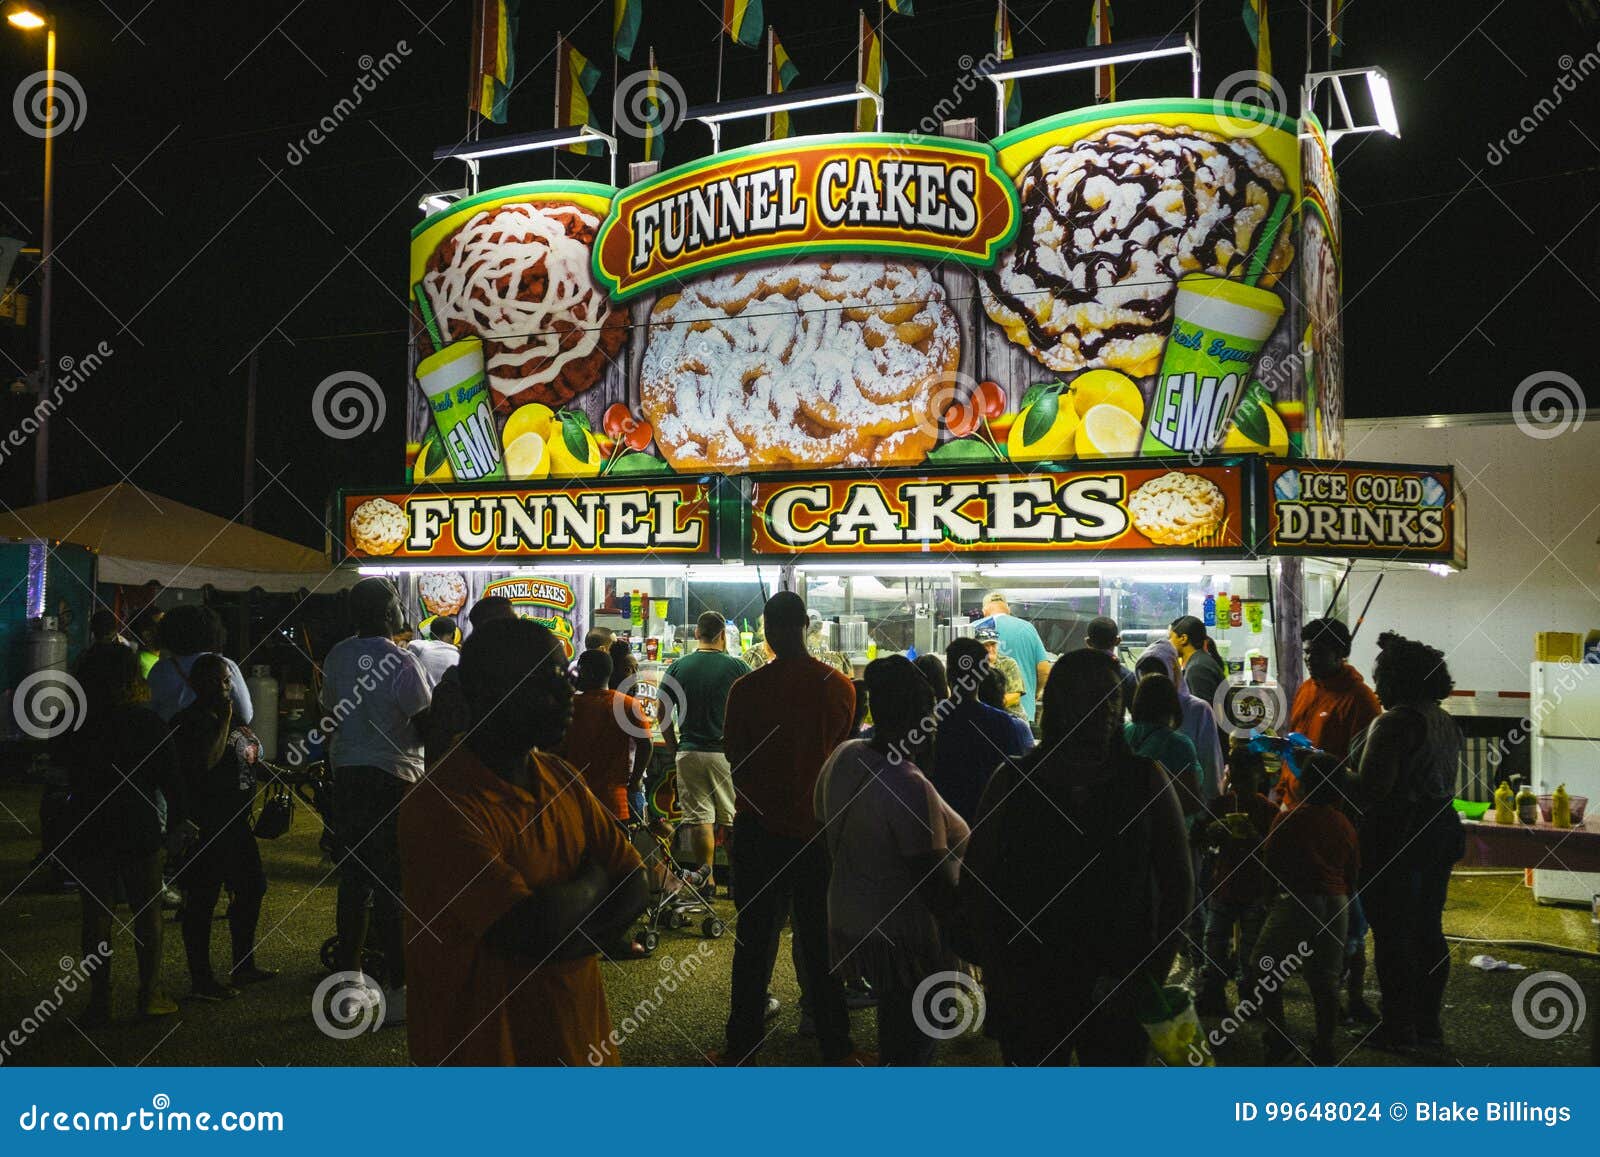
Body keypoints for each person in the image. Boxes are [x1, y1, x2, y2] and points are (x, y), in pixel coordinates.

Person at [398, 618, 648, 1065]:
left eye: (565, 678)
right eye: (546, 682)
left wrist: (562, 928)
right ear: (490, 692)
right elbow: (528, 930)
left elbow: (635, 881)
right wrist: (594, 881)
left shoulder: (562, 778)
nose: (565, 698)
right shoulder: (441, 804)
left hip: (578, 1041)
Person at [963, 649, 1193, 1065]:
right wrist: (999, 974)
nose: (1102, 711)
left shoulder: (1146, 780)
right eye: (1087, 697)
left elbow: (1179, 885)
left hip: (1119, 976)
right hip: (1032, 980)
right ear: (1060, 703)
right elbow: (978, 883)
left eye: (1111, 699)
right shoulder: (1014, 780)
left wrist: (1151, 974)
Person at [719, 591, 858, 1065]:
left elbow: (734, 757)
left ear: (766, 628)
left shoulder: (746, 690)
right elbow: (839, 756)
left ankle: (743, 1044)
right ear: (806, 625)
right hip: (815, 834)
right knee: (820, 944)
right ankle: (835, 1044)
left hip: (759, 831)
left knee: (754, 944)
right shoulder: (840, 686)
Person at [815, 656, 968, 1066]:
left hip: (853, 917)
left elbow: (820, 820)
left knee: (895, 1025)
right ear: (918, 716)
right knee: (912, 1042)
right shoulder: (907, 784)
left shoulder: (845, 756)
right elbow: (934, 885)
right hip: (905, 937)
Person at [320, 578, 432, 1022]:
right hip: (393, 776)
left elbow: (330, 709)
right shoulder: (402, 660)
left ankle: (350, 983)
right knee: (392, 884)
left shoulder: (337, 655)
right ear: (389, 615)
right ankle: (400, 987)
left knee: (354, 880)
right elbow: (424, 717)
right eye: (398, 607)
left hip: (347, 775)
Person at [62, 644, 191, 1023]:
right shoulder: (147, 723)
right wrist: (180, 821)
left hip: (89, 822)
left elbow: (63, 771)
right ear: (132, 679)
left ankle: (99, 1001)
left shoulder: (76, 723)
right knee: (147, 909)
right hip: (138, 823)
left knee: (96, 913)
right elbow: (172, 781)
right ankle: (147, 995)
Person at [1350, 631, 1465, 1052]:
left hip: (1398, 836)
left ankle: (1398, 1028)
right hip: (1440, 830)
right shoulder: (1443, 719)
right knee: (1428, 930)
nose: (1377, 687)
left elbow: (1371, 790)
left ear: (1400, 680)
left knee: (1393, 934)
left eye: (1381, 677)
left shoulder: (1394, 723)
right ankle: (1427, 1024)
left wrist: (1320, 766)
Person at [170, 654, 275, 999]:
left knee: (252, 888)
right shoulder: (190, 721)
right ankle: (202, 979)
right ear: (197, 684)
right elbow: (207, 760)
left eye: (227, 680)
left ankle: (243, 965)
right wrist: (226, 719)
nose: (224, 687)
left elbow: (250, 759)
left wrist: (287, 776)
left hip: (236, 822)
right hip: (206, 825)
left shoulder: (233, 721)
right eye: (217, 680)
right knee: (202, 901)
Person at [1253, 757, 1360, 1065]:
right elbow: (1353, 874)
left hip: (1299, 900)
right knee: (1325, 981)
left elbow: (1269, 865)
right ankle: (1325, 1046)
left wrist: (1267, 900)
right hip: (1337, 903)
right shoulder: (1344, 823)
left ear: (1305, 783)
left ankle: (1278, 1036)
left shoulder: (1290, 818)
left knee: (1263, 967)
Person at [659, 611, 749, 890]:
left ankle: (706, 880)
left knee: (701, 819)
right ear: (723, 635)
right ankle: (737, 881)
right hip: (725, 754)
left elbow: (662, 711)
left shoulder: (678, 666)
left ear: (697, 634)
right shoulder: (737, 667)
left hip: (689, 753)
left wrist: (675, 746)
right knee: (733, 819)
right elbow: (753, 708)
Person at [1195, 741, 1279, 1015]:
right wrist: (1211, 832)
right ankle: (1214, 994)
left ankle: (1249, 998)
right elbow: (1197, 838)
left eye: (1247, 779)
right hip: (1224, 885)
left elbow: (1277, 854)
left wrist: (1256, 838)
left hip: (1255, 890)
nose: (1241, 786)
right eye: (1237, 779)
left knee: (1251, 951)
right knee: (1214, 943)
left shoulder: (1268, 812)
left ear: (1259, 776)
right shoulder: (1221, 804)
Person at [1277, 617, 1382, 808]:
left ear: (1339, 654)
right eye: (1306, 652)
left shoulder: (1361, 700)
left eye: (1317, 652)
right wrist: (1282, 792)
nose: (1309, 658)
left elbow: (1363, 771)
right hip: (1291, 801)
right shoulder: (1306, 689)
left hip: (1328, 808)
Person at [929, 637, 1031, 823]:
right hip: (988, 822)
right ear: (984, 673)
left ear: (948, 673)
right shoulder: (1003, 724)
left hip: (938, 822)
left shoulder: (931, 722)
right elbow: (1014, 783)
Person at [557, 649, 651, 823]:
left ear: (586, 672)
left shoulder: (570, 705)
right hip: (615, 801)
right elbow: (646, 745)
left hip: (576, 798)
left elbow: (557, 748)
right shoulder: (629, 705)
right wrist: (635, 781)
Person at [1135, 640, 1223, 800]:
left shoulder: (1198, 710)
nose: (1153, 679)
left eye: (1159, 672)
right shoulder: (1136, 719)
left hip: (1191, 811)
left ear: (1173, 671)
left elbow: (1210, 764)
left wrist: (1210, 808)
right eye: (1146, 672)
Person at [146, 604, 253, 726]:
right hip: (216, 741)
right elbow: (245, 715)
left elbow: (151, 714)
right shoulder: (226, 666)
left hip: (173, 741)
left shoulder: (161, 670)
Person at [1124, 673, 1203, 818]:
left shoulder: (1123, 733)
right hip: (1168, 831)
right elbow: (1191, 803)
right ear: (1173, 704)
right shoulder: (1178, 744)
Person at [979, 592, 1051, 724]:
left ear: (984, 611)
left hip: (980, 718)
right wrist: (1034, 693)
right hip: (1021, 716)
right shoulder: (1027, 628)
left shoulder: (973, 629)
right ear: (1008, 609)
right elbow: (1044, 670)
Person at [972, 622, 1027, 720]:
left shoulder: (1009, 663)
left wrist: (989, 708)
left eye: (993, 644)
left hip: (1012, 716)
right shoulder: (972, 667)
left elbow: (1015, 696)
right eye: (985, 645)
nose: (990, 649)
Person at [1169, 615, 1225, 705]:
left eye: (1170, 638)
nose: (1169, 643)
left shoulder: (1197, 668)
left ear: (1183, 639)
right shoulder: (1198, 661)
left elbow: (1203, 712)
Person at [1086, 615, 1138, 709]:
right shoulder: (1126, 676)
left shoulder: (1073, 672)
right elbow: (1136, 714)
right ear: (1117, 641)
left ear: (1088, 642)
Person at [407, 615, 461, 687]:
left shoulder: (419, 646)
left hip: (420, 697)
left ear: (431, 635)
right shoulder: (458, 658)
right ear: (453, 635)